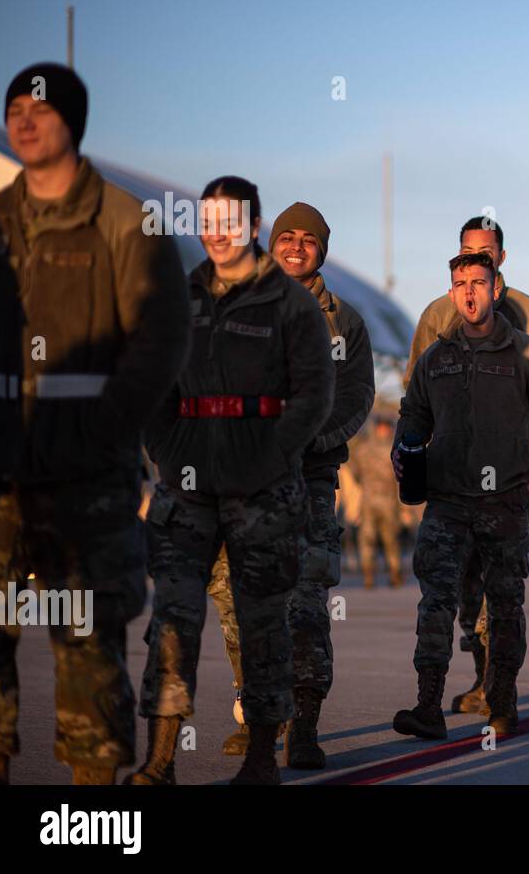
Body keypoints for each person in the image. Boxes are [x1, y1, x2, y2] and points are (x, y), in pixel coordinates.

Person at [0, 63, 190, 785]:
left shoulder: (125, 223)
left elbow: (159, 345)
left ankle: (93, 818)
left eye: (38, 109)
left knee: (86, 657)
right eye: (13, 108)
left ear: (72, 121)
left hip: (86, 485)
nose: (22, 120)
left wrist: (100, 437)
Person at [130, 177, 334, 785]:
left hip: (262, 491)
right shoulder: (176, 299)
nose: (218, 233)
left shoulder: (291, 306)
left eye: (231, 221)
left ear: (251, 226)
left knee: (264, 624)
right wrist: (169, 455)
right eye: (208, 221)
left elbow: (313, 396)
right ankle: (159, 761)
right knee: (172, 621)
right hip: (186, 490)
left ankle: (258, 760)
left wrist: (267, 458)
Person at [206, 202, 375, 768]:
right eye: (288, 236)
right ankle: (257, 712)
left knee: (304, 605)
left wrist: (306, 439)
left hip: (309, 483)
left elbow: (356, 399)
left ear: (321, 251)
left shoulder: (344, 322)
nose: (297, 245)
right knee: (235, 600)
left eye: (309, 239)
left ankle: (303, 727)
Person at [392, 252, 529, 740]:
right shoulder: (436, 358)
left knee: (504, 608)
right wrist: (404, 449)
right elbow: (413, 414)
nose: (469, 292)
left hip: (505, 504)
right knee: (435, 604)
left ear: (497, 290)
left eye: (478, 281)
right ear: (451, 293)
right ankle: (428, 707)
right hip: (447, 502)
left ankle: (502, 703)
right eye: (459, 284)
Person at [347, 418, 405, 588]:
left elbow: (355, 473)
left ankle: (369, 576)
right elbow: (401, 477)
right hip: (388, 502)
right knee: (390, 540)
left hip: (368, 501)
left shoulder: (362, 449)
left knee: (368, 539)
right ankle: (393, 573)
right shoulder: (395, 450)